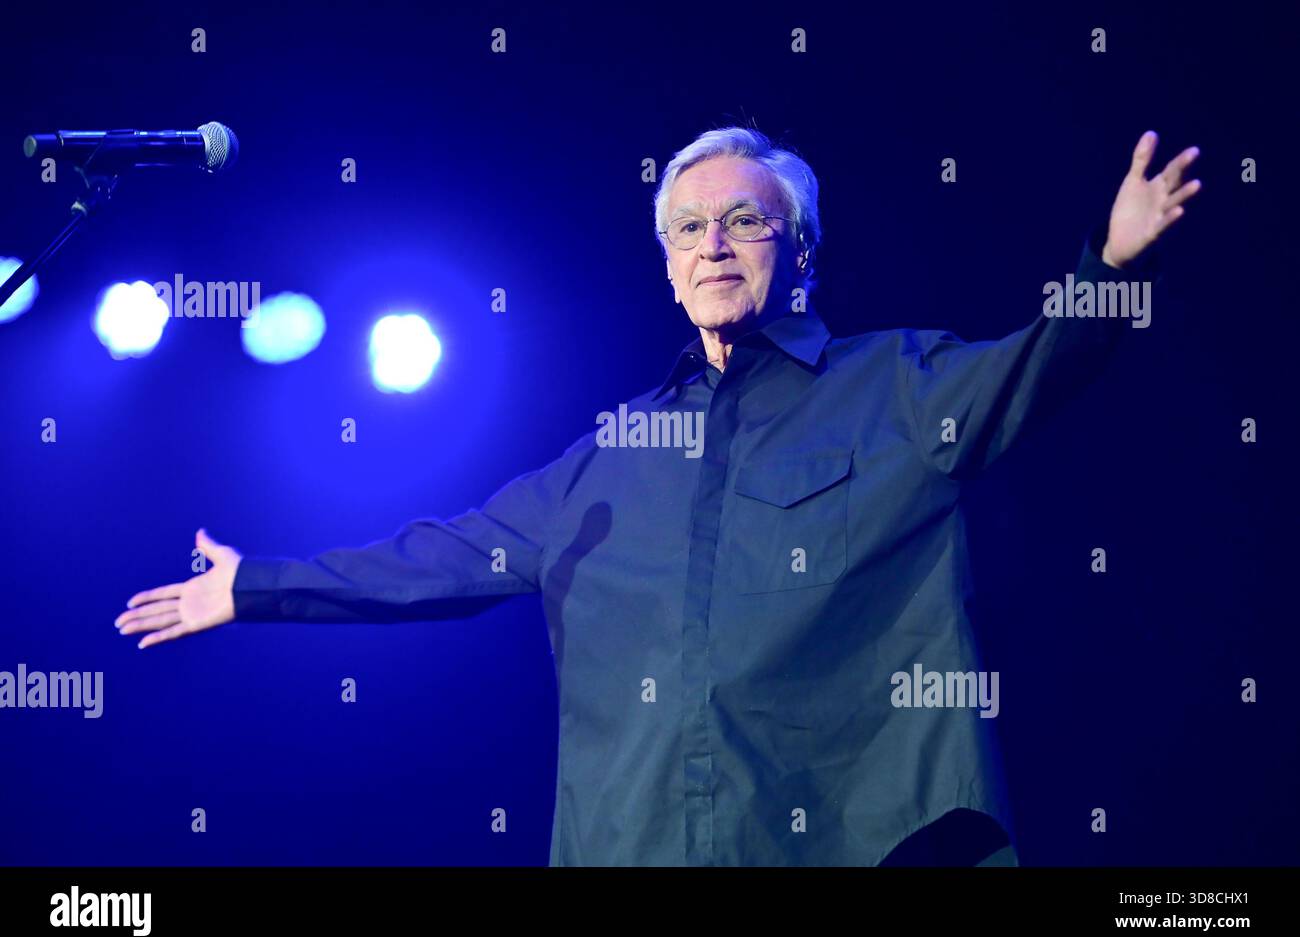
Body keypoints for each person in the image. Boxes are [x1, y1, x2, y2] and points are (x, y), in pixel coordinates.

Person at [115, 126, 1200, 866]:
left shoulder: (896, 387)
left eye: (745, 221)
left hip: (857, 842)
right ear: (666, 263)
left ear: (802, 250)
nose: (714, 244)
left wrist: (1110, 263)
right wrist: (256, 585)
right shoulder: (611, 455)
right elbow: (435, 557)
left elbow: (1040, 362)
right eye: (688, 227)